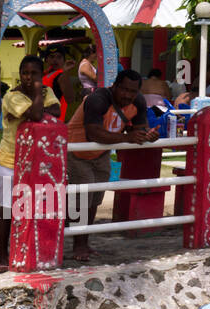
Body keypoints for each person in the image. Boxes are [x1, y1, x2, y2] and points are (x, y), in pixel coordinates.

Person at [66, 68, 159, 262]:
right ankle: (78, 244)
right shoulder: (98, 99)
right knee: (82, 200)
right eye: (123, 90)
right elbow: (94, 133)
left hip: (101, 153)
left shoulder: (138, 102)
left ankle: (83, 241)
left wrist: (148, 135)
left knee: (94, 200)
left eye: (132, 92)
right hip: (76, 152)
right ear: (114, 86)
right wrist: (128, 137)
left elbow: (139, 130)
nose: (127, 95)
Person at [0, 56, 59, 270]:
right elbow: (39, 113)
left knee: (27, 210)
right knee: (7, 210)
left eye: (34, 74)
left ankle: (23, 252)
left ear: (41, 75)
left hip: (32, 164)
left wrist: (33, 113)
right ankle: (3, 257)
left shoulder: (47, 92)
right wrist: (35, 111)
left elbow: (56, 113)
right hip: (8, 162)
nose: (29, 78)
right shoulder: (11, 97)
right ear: (19, 74)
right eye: (25, 73)